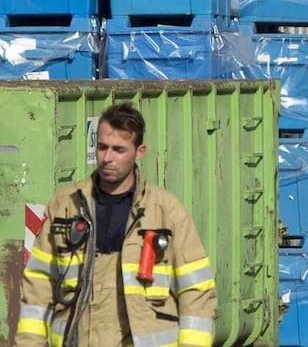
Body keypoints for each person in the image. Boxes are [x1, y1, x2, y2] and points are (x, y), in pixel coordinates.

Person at [18, 102, 217, 347]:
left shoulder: (166, 212)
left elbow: (196, 291)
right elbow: (38, 283)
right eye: (102, 147)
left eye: (119, 150)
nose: (107, 158)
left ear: (139, 151)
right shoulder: (66, 206)